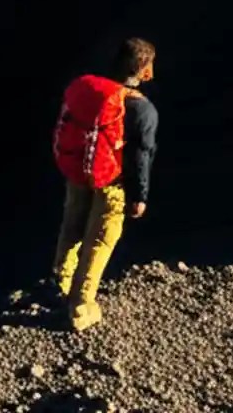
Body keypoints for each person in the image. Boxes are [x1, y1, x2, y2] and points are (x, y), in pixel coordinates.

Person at [50, 38, 159, 331]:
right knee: (100, 239)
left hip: (78, 171)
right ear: (145, 72)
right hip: (112, 181)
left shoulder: (89, 89)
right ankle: (81, 307)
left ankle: (61, 282)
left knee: (72, 224)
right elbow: (140, 156)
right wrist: (139, 196)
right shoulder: (141, 109)